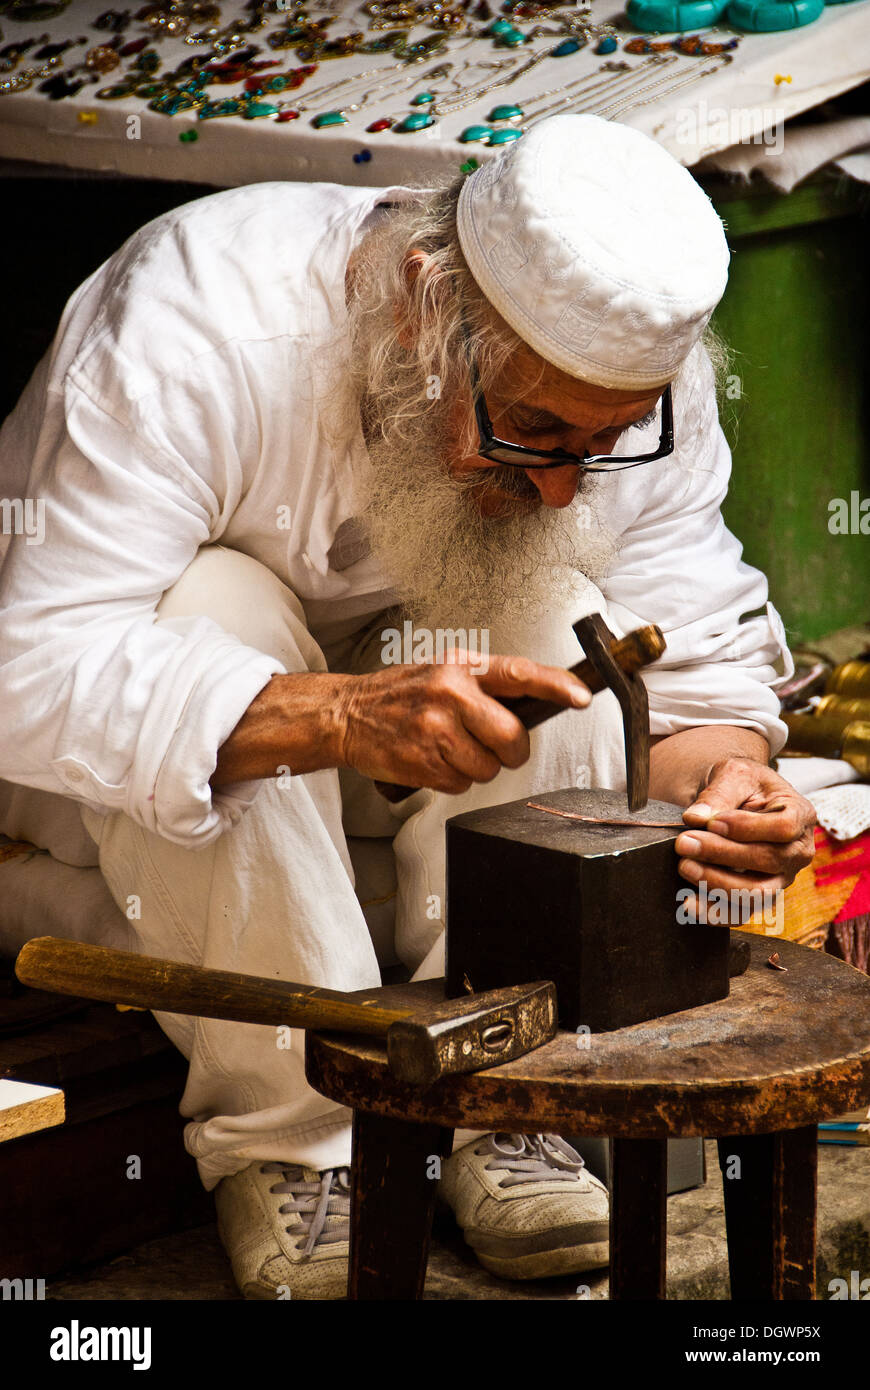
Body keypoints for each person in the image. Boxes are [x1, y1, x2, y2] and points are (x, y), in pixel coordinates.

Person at [0, 113, 815, 1299]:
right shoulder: (195, 324)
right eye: (528, 428)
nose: (564, 477)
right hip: (98, 787)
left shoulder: (621, 397)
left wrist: (735, 782)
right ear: (423, 309)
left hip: (375, 826)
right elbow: (28, 667)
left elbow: (693, 657)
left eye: (607, 440)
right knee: (218, 607)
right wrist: (335, 717)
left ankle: (501, 1100)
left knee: (553, 589)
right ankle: (299, 1139)